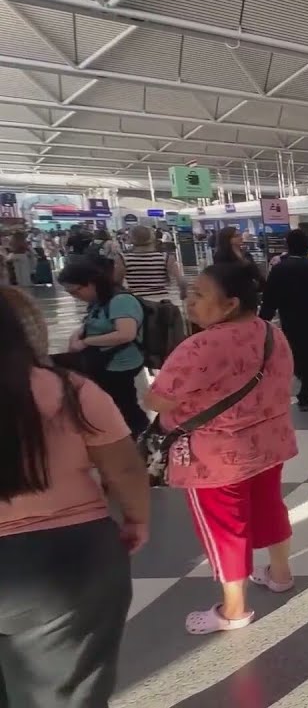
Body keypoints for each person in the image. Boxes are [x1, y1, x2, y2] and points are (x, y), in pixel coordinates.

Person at [0, 287, 150, 706]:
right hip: (67, 560)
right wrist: (137, 518)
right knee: (65, 693)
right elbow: (123, 468)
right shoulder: (70, 390)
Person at [144, 262, 297, 635]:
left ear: (230, 304)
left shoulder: (200, 346)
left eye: (199, 294)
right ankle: (280, 574)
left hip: (214, 457)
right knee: (269, 506)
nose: (189, 300)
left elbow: (157, 400)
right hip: (268, 443)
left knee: (225, 529)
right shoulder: (270, 333)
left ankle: (234, 610)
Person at [56, 259, 148, 436]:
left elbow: (126, 334)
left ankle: (141, 436)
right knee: (114, 403)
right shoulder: (99, 300)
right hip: (104, 361)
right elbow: (90, 323)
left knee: (125, 404)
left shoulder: (121, 301)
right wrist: (77, 336)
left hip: (120, 363)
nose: (74, 296)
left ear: (90, 283)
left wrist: (86, 342)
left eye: (75, 291)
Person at [259, 229, 308, 416]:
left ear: (288, 246)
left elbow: (270, 298)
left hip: (292, 321)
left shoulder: (280, 269)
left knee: (299, 361)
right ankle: (306, 395)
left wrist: (263, 320)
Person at [122, 223, 184, 301]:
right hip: (162, 301)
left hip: (137, 302)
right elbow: (181, 281)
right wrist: (183, 293)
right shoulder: (165, 257)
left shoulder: (124, 259)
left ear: (131, 239)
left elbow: (117, 283)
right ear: (152, 238)